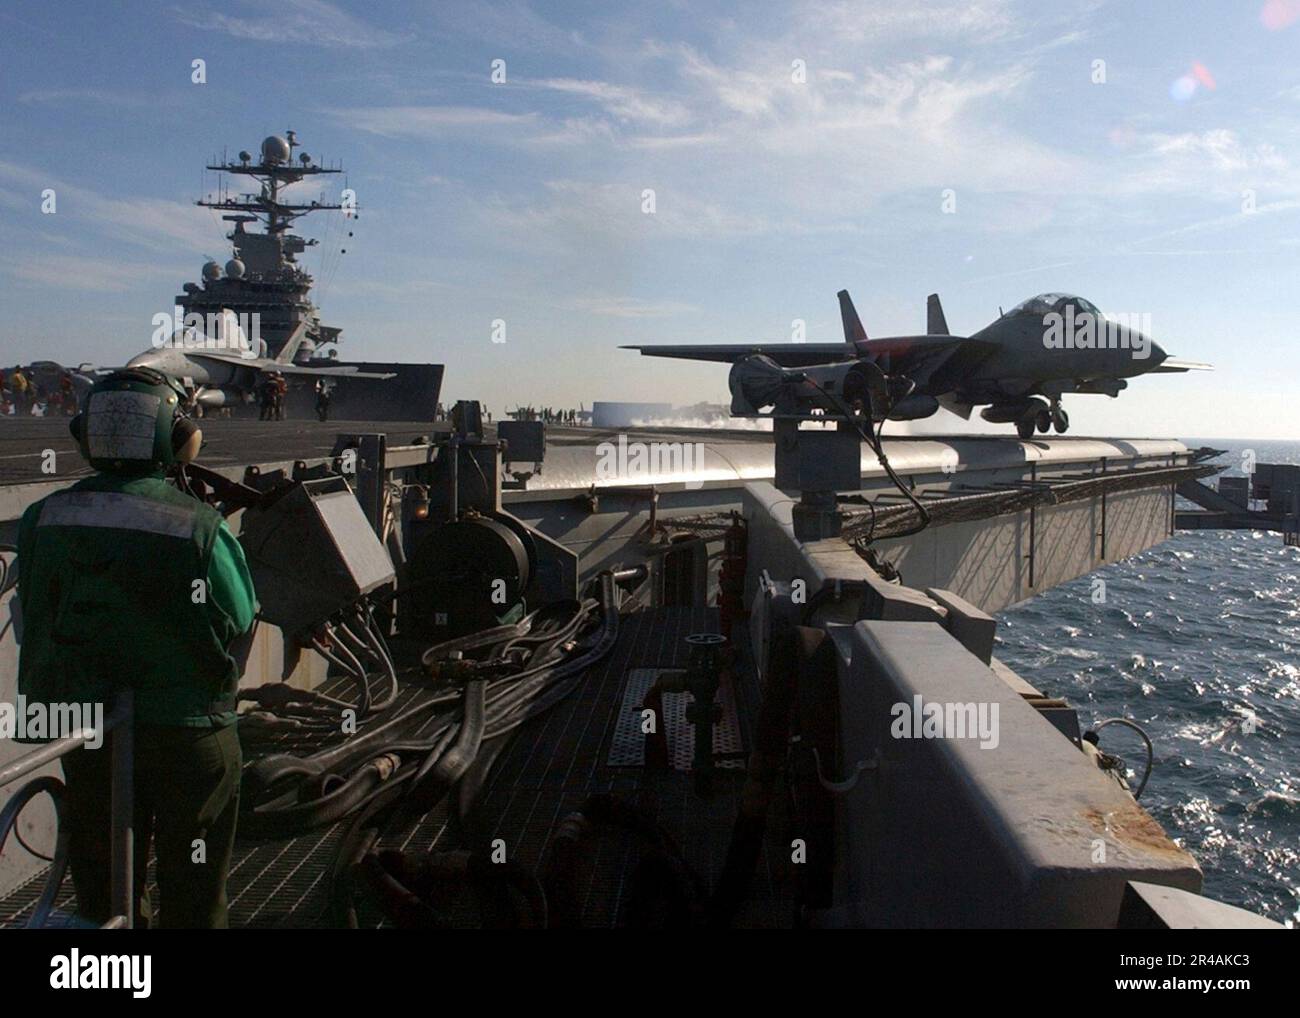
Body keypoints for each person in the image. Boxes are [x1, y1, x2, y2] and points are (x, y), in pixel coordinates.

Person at [16, 367, 257, 928]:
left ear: (84, 436)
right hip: (188, 730)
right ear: (178, 439)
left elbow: (36, 607)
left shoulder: (41, 518)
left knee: (105, 884)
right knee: (195, 887)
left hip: (88, 726)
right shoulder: (200, 526)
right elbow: (241, 614)